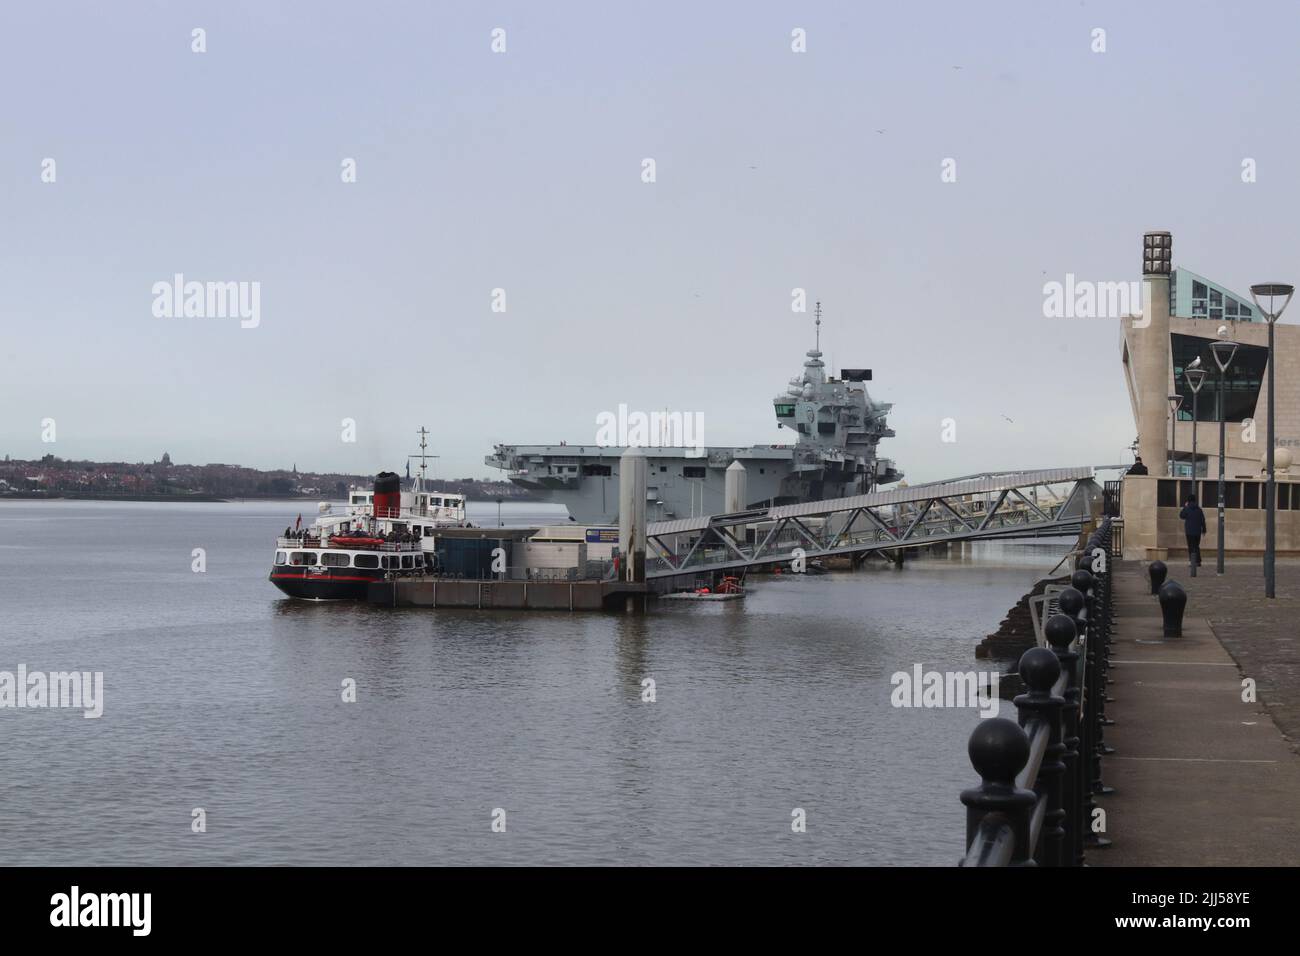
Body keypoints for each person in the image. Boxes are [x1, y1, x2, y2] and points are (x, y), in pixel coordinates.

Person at [1179, 494, 1206, 566]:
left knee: (1191, 546)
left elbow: (1181, 516)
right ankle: (1198, 561)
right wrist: (1204, 530)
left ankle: (1193, 562)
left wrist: (1185, 506)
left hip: (1189, 531)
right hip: (1197, 531)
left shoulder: (1187, 508)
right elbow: (1202, 520)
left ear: (1188, 501)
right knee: (1196, 546)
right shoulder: (1199, 509)